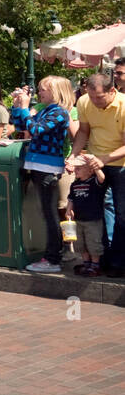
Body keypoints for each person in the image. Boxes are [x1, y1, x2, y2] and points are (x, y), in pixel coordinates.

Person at [10, 76, 72, 273]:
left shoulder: (60, 113)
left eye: (43, 89)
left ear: (56, 91)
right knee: (44, 212)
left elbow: (36, 130)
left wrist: (27, 108)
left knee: (49, 213)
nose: (39, 92)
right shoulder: (46, 110)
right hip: (38, 166)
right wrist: (18, 105)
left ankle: (53, 259)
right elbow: (21, 126)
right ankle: (50, 254)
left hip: (48, 168)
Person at [69, 73, 125, 277]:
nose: (94, 101)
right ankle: (99, 260)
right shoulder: (84, 102)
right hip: (95, 162)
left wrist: (105, 158)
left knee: (121, 215)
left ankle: (118, 262)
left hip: (120, 164)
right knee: (97, 213)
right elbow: (83, 131)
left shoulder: (123, 105)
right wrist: (74, 155)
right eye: (91, 96)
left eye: (99, 97)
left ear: (112, 91)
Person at [67, 155, 106, 276]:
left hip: (93, 220)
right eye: (76, 167)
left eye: (79, 167)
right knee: (80, 244)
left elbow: (102, 178)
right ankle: (86, 264)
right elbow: (71, 199)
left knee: (94, 243)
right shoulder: (74, 184)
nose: (76, 169)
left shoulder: (94, 182)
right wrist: (69, 210)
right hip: (78, 219)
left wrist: (96, 167)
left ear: (90, 170)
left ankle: (95, 266)